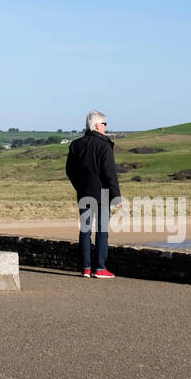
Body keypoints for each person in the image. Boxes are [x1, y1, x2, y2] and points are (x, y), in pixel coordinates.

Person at [64, 110, 121, 278]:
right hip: (102, 193)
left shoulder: (76, 145)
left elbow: (70, 170)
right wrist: (116, 195)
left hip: (84, 192)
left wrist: (79, 186)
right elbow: (109, 173)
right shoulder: (104, 145)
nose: (105, 127)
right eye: (105, 124)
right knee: (102, 231)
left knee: (85, 231)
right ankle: (100, 268)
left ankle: (86, 268)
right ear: (97, 125)